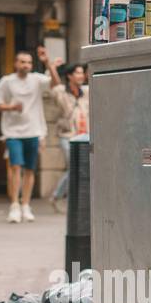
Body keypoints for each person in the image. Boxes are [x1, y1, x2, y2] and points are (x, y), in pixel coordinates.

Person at [0, 48, 50, 223]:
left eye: (29, 62)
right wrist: (11, 107)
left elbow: (55, 83)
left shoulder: (37, 80)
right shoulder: (6, 81)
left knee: (30, 170)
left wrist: (48, 62)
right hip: (13, 133)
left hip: (34, 131)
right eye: (23, 62)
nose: (26, 65)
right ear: (16, 63)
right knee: (15, 168)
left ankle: (26, 205)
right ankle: (14, 205)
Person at [45, 58, 89, 212]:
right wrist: (51, 67)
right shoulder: (62, 93)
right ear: (70, 76)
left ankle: (63, 198)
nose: (81, 75)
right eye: (77, 73)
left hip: (85, 136)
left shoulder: (87, 92)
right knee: (75, 167)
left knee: (78, 168)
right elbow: (55, 85)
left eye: (82, 73)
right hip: (68, 136)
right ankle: (61, 197)